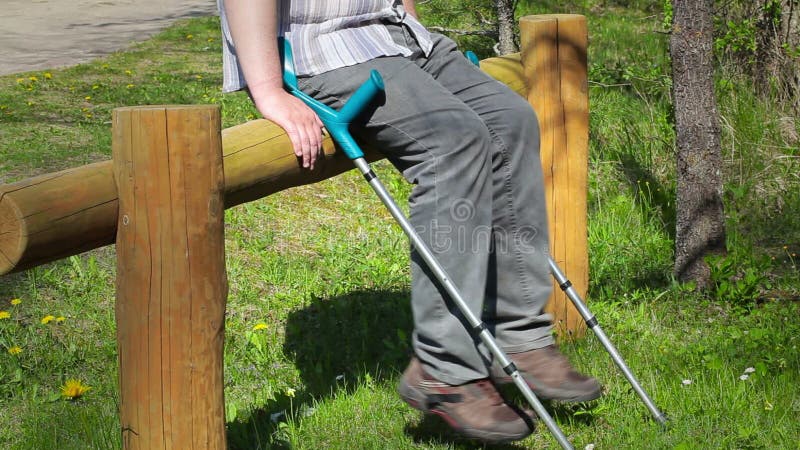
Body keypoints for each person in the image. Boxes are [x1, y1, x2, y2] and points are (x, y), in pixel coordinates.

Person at [218, 0, 601, 443]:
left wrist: (411, 24)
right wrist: (267, 91)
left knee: (511, 121)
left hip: (397, 35)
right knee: (455, 142)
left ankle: (518, 334)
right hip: (319, 49)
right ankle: (445, 367)